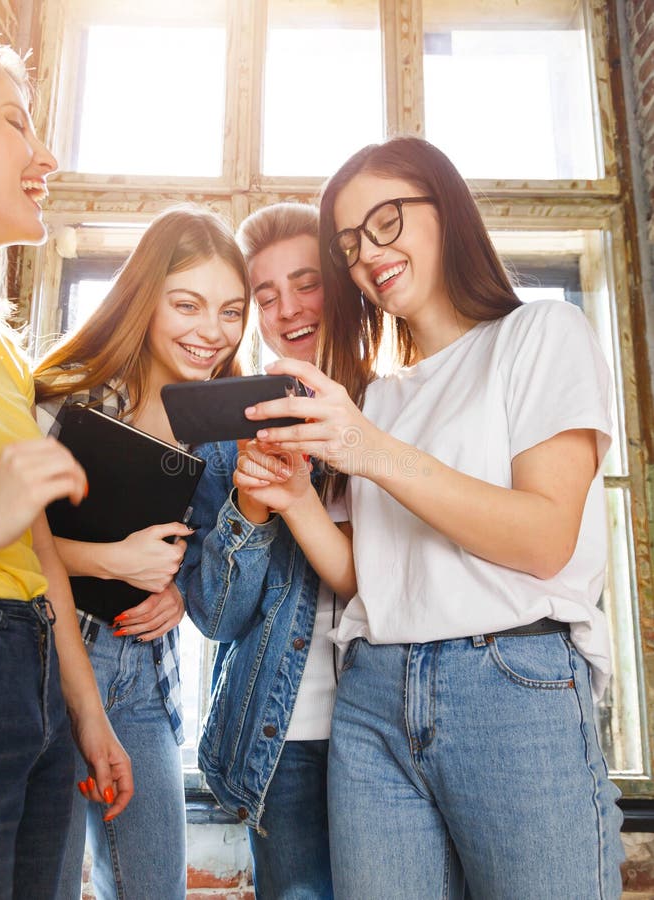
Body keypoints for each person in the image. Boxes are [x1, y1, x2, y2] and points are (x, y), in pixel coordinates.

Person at [233, 136, 625, 899]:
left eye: (386, 221)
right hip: (371, 695)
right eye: (349, 245)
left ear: (444, 208)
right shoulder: (379, 398)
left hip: (509, 686)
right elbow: (365, 577)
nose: (367, 255)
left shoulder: (539, 336)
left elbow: (544, 539)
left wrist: (370, 450)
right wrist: (297, 498)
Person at [0, 33, 133, 900]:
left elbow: (40, 551)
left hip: (34, 685)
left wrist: (87, 714)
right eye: (15, 124)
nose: (45, 155)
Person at [34, 204, 251, 900]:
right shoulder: (67, 400)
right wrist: (110, 561)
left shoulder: (220, 429)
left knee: (155, 888)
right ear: (143, 299)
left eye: (230, 311)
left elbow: (204, 569)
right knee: (46, 882)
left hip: (144, 671)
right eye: (187, 305)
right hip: (45, 660)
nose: (210, 332)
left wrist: (178, 591)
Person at [183, 202, 348, 899]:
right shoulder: (228, 432)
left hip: (402, 727)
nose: (289, 308)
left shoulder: (402, 406)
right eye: (265, 294)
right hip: (290, 733)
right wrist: (250, 508)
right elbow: (216, 617)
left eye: (306, 282)